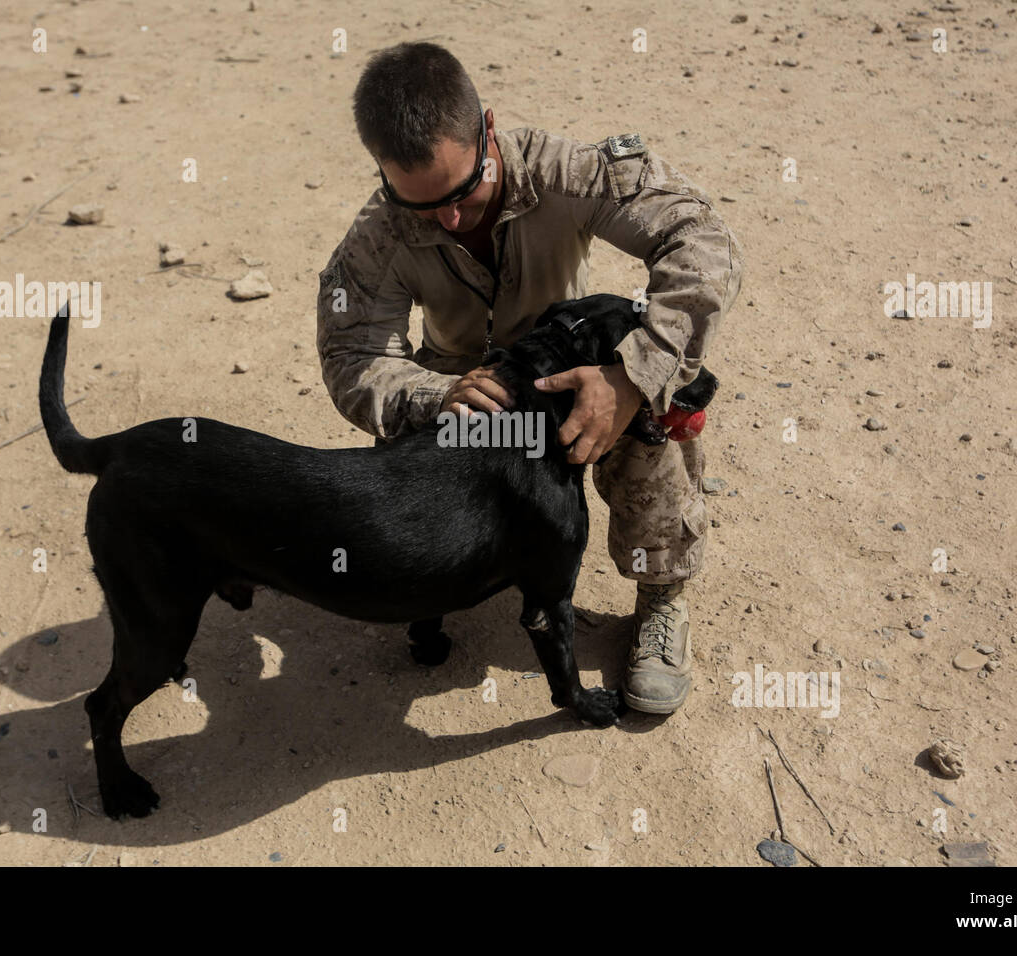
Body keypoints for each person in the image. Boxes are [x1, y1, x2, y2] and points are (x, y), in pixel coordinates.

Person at [316, 42, 742, 714]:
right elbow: (352, 357)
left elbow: (700, 237)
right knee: (403, 477)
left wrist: (632, 373)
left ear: (487, 130)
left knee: (649, 425)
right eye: (422, 206)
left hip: (572, 371)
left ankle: (660, 594)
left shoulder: (564, 172)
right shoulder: (378, 234)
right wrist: (429, 396)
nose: (449, 219)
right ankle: (456, 581)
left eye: (462, 192)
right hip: (462, 392)